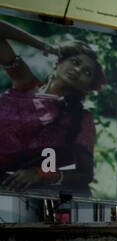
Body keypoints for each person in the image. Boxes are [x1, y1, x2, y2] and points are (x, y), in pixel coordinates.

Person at [0, 20, 104, 194]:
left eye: (87, 72)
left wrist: (40, 174)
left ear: (87, 87)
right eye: (75, 62)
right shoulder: (25, 83)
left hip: (11, 188)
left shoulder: (80, 118)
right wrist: (45, 46)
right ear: (57, 63)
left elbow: (85, 174)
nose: (78, 70)